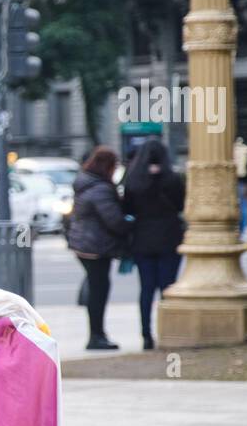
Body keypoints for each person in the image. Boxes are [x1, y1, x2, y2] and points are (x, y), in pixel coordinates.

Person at [122, 139, 186, 350]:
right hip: (170, 238)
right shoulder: (173, 178)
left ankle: (146, 335)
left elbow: (128, 209)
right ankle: (169, 331)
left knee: (146, 289)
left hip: (143, 239)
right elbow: (180, 205)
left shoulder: (133, 179)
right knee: (168, 289)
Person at [67, 146, 128, 350]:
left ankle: (97, 334)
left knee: (95, 287)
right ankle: (96, 336)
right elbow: (114, 221)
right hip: (95, 247)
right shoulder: (100, 188)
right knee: (98, 291)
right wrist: (130, 224)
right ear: (108, 166)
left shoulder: (86, 182)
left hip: (84, 244)